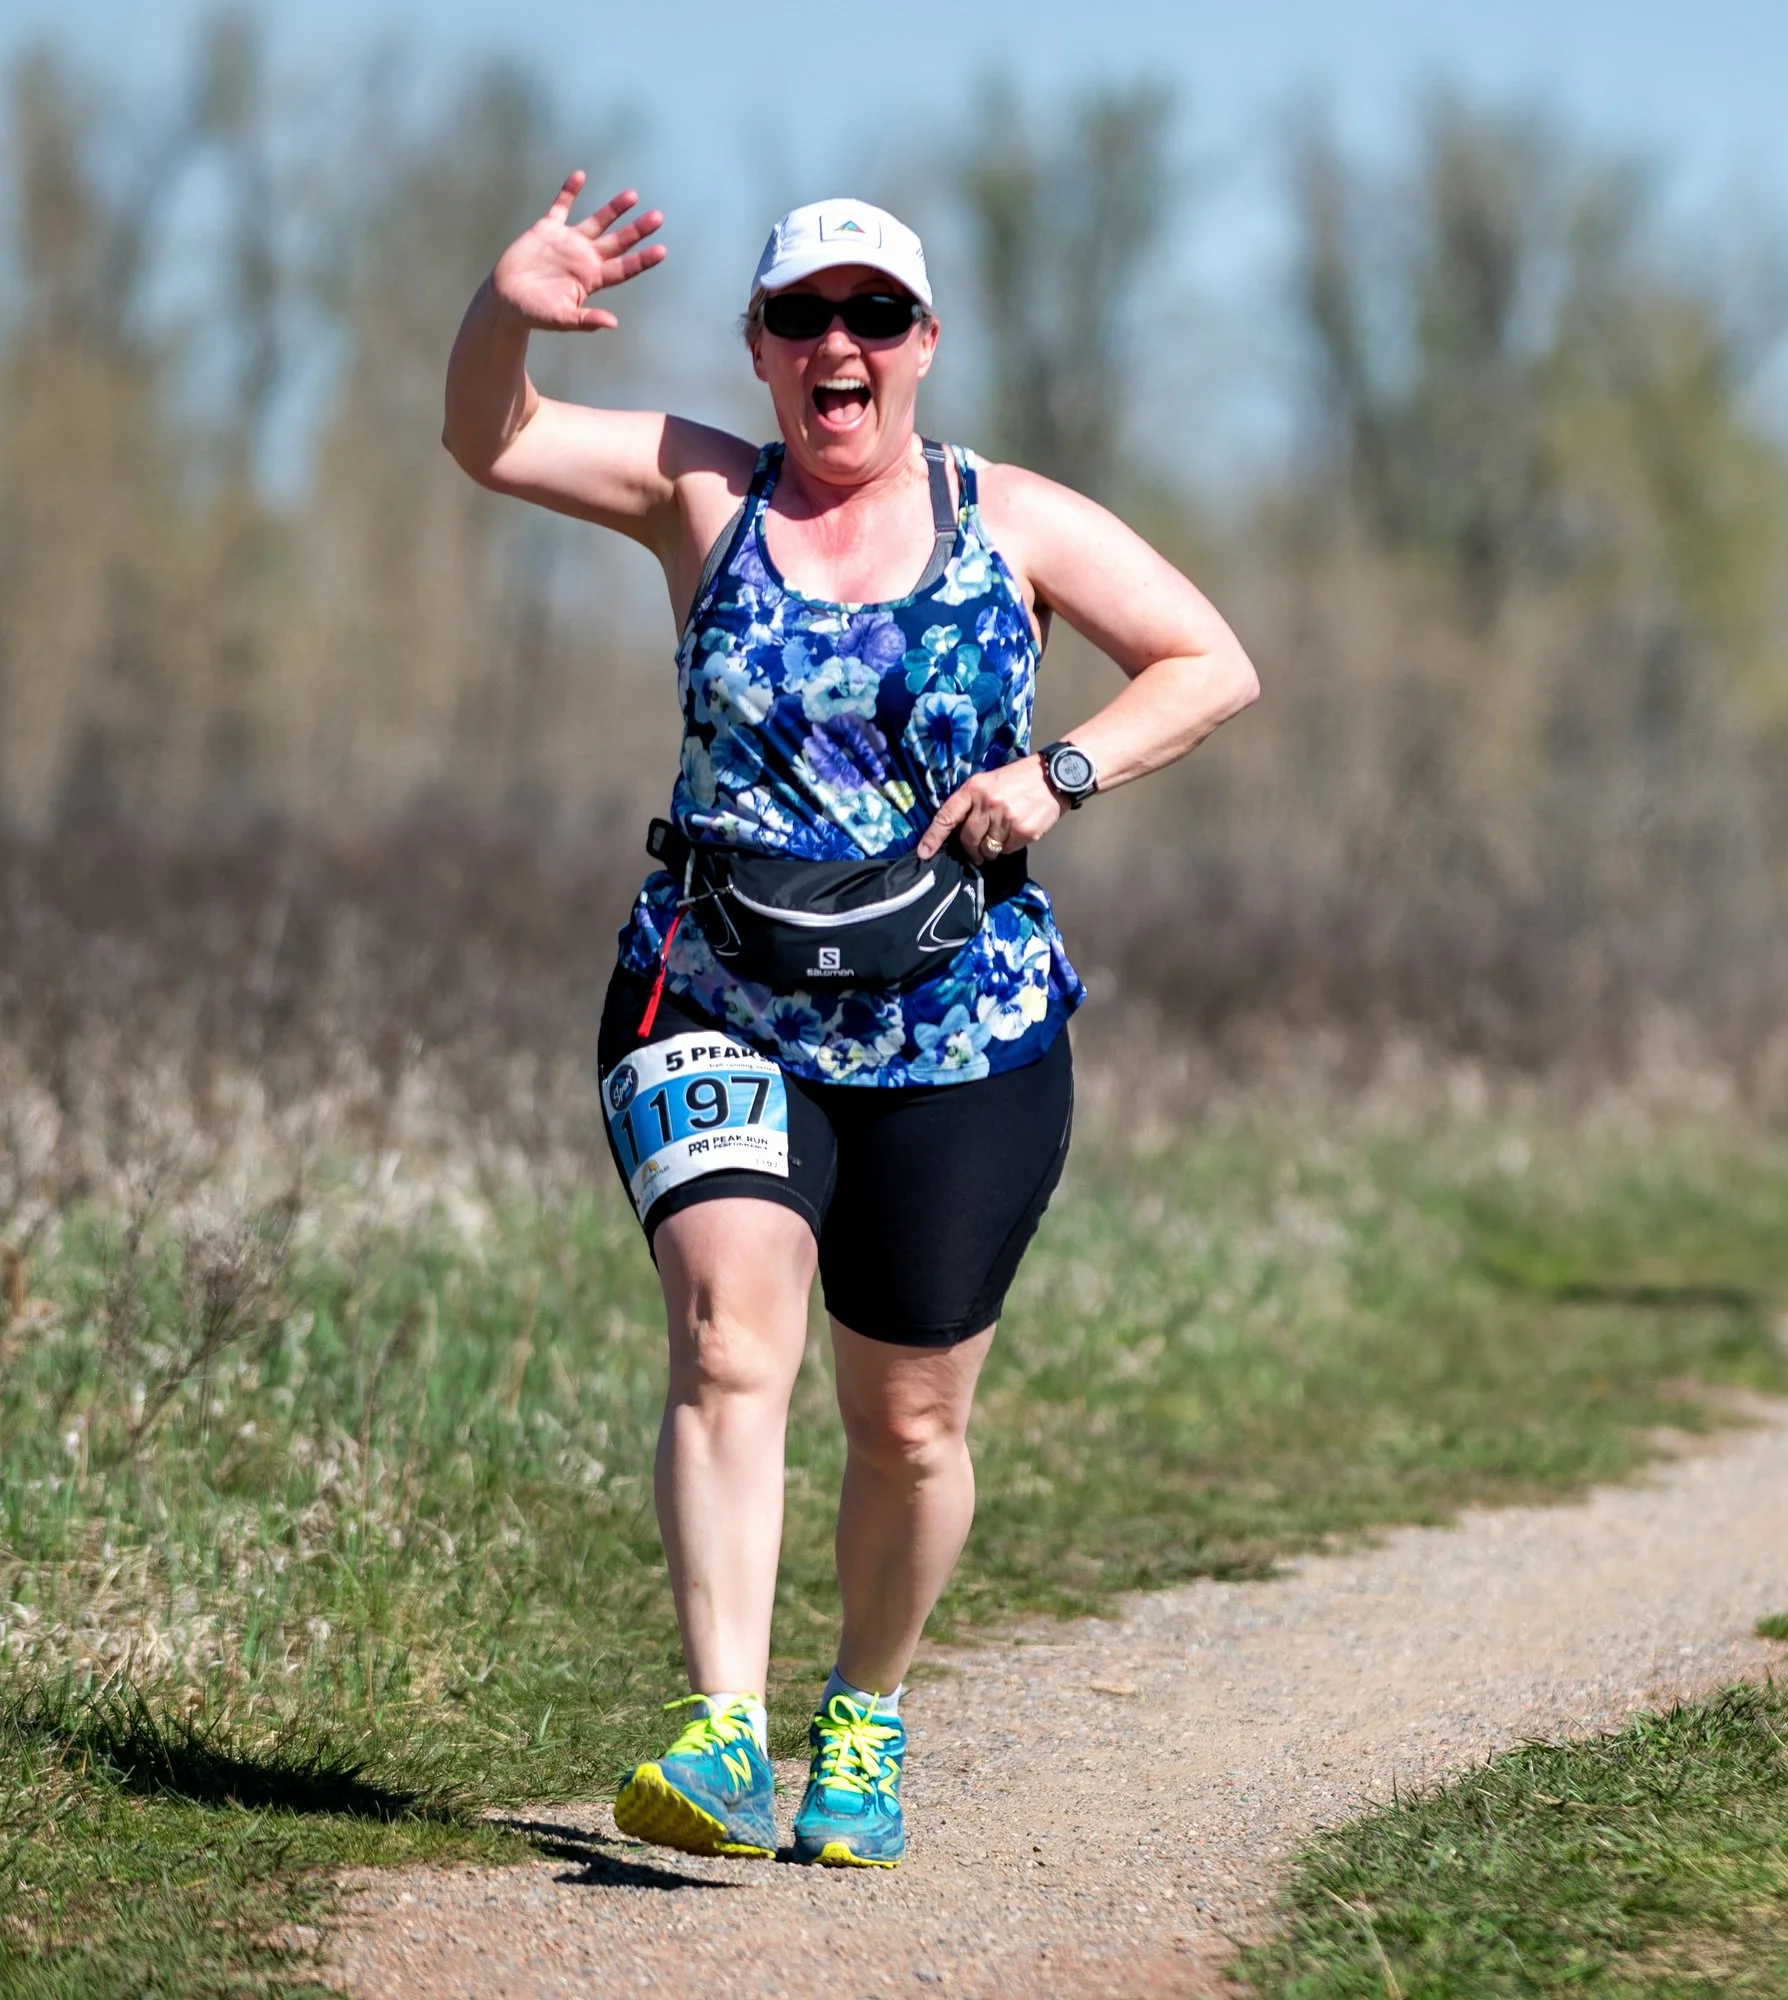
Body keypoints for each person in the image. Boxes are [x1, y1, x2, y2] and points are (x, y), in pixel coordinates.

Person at [442, 176, 1258, 1866]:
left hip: (962, 1023)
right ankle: (723, 1729)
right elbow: (493, 439)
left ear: (923, 344)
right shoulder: (701, 491)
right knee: (733, 1334)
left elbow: (1206, 659)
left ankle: (862, 1717)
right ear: (757, 347)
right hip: (714, 988)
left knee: (907, 1420)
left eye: (873, 317)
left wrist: (1063, 771)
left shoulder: (1009, 517)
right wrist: (506, 304)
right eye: (804, 317)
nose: (839, 345)